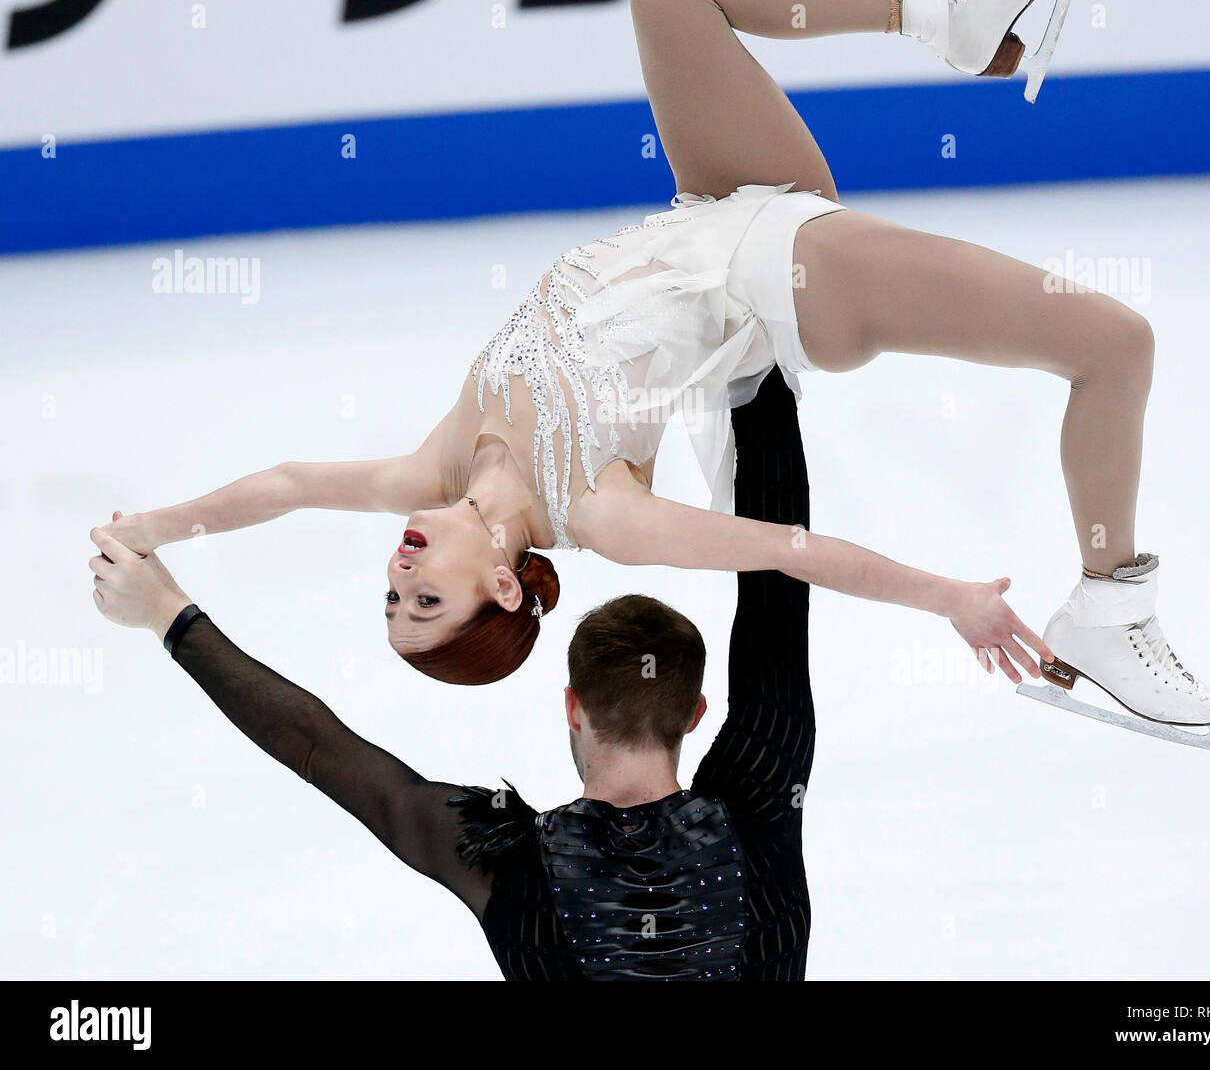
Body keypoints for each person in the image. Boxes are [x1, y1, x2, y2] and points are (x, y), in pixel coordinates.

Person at [100, 0, 1210, 727]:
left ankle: (946, 18)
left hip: (716, 196)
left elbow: (288, 485)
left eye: (389, 593)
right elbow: (786, 549)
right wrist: (948, 598)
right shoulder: (604, 515)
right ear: (501, 584)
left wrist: (154, 527)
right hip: (788, 274)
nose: (397, 571)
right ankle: (1111, 608)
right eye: (423, 598)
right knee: (1113, 342)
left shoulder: (433, 468)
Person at [91, 372, 817, 980]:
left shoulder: (517, 866)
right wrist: (753, 355)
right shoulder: (758, 811)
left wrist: (165, 612)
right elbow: (780, 593)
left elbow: (317, 745)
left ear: (573, 707)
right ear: (694, 712)